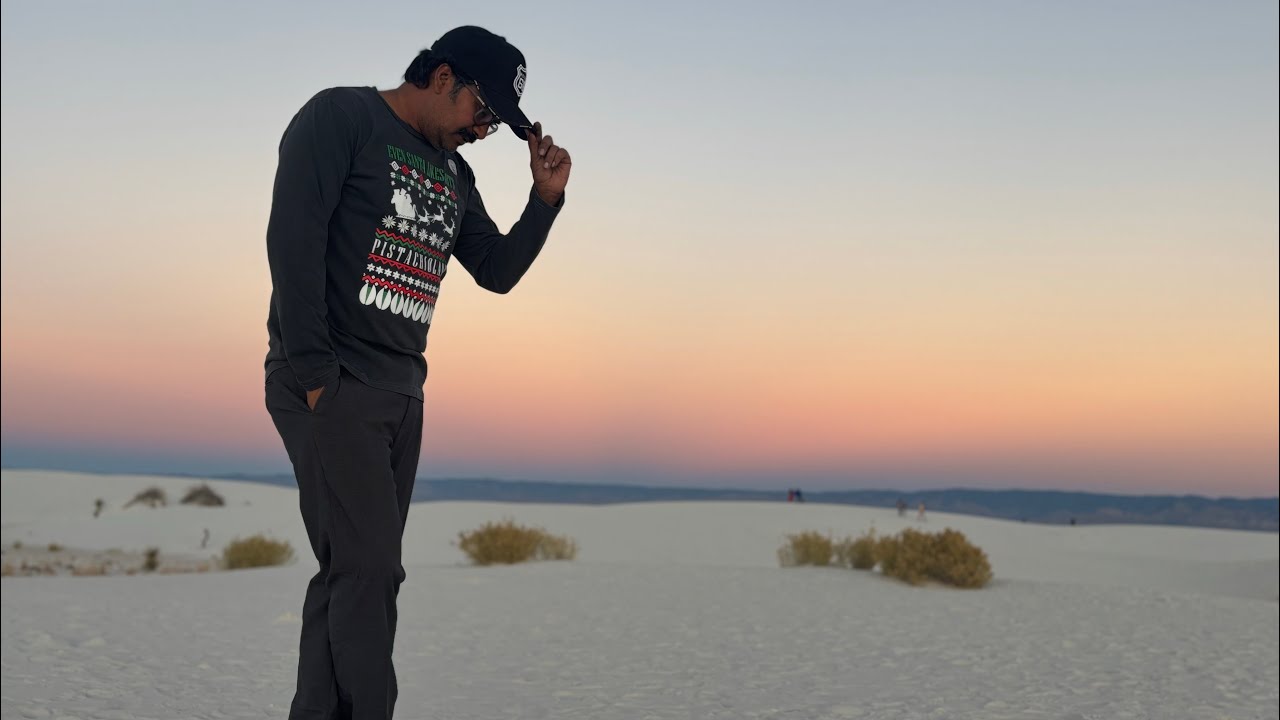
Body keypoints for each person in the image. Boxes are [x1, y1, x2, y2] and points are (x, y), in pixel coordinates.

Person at [262, 26, 570, 720]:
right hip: (332, 379)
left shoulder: (454, 176)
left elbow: (495, 270)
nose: (485, 130)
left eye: (497, 122)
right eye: (482, 111)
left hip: (401, 394)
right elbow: (294, 241)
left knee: (352, 574)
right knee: (372, 571)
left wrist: (543, 202)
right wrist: (314, 374)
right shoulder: (341, 118)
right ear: (442, 77)